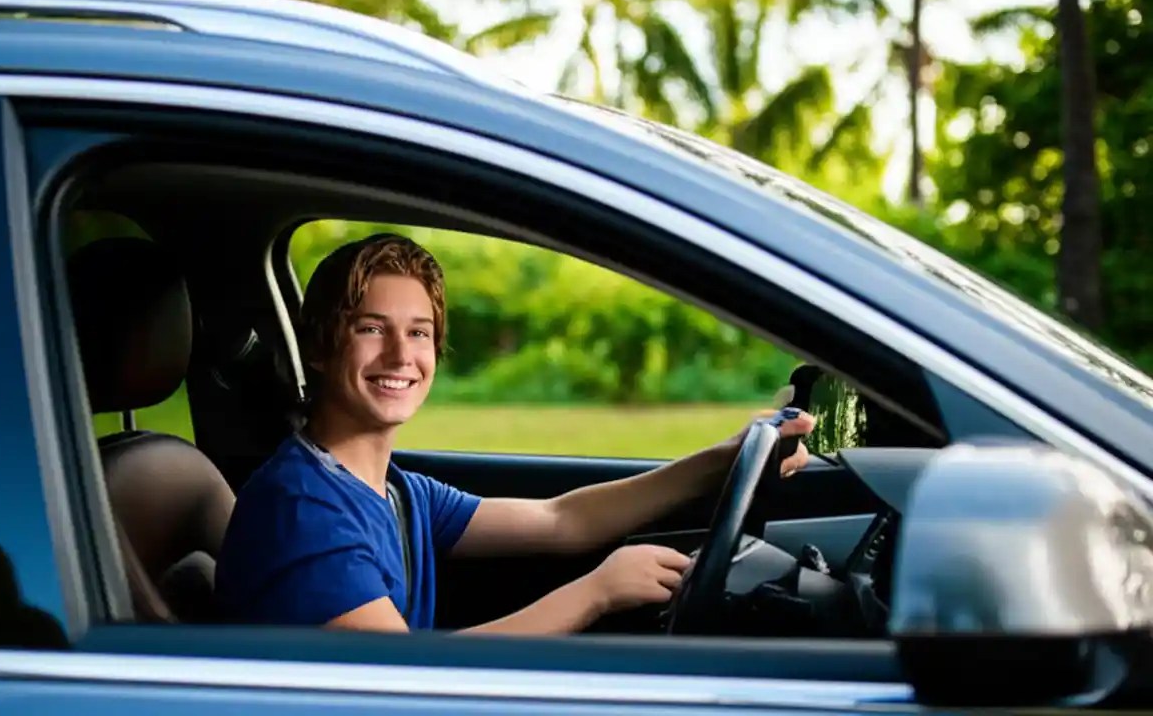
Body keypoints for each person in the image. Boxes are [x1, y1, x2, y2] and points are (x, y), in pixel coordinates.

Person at [215, 233, 814, 633]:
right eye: (373, 328)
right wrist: (597, 593)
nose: (401, 355)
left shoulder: (395, 492)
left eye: (420, 333)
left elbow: (561, 521)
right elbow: (407, 683)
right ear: (320, 347)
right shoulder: (303, 512)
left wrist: (722, 460)